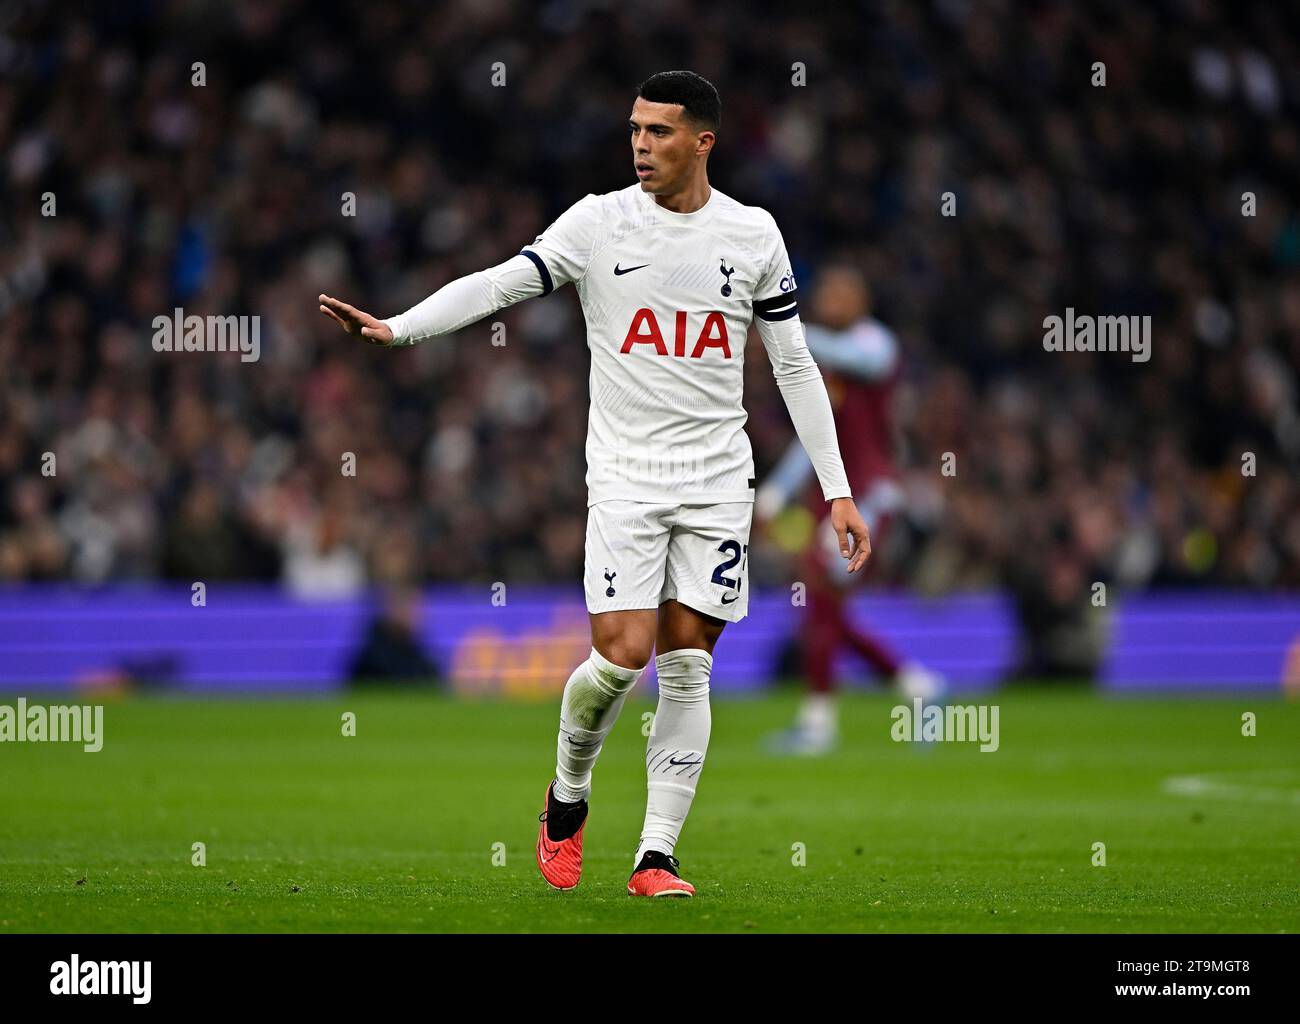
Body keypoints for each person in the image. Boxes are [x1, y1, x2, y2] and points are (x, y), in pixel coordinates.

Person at [318, 71, 870, 898]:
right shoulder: (598, 221)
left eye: (659, 131)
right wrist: (399, 329)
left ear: (703, 142)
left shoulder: (753, 234)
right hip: (625, 477)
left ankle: (656, 857)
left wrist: (837, 491)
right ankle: (567, 795)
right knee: (620, 658)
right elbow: (498, 282)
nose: (641, 144)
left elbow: (793, 365)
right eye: (635, 130)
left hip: (718, 479)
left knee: (687, 664)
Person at [756, 266, 944, 755]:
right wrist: (775, 493)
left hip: (871, 495)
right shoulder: (827, 369)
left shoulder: (874, 343)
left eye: (842, 293)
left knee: (820, 594)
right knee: (822, 606)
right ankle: (916, 686)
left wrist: (786, 328)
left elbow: (863, 360)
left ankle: (819, 723)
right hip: (833, 499)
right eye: (826, 292)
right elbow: (816, 439)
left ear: (862, 299)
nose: (831, 300)